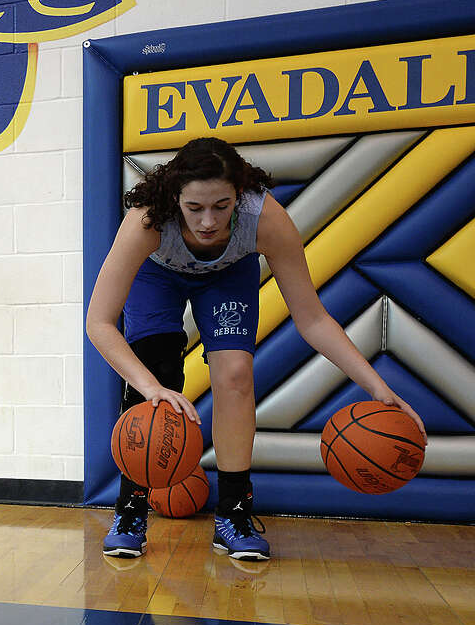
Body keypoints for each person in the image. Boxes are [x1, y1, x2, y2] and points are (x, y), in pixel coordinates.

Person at [86, 137, 424, 562]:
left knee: (235, 375)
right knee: (155, 374)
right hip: (157, 276)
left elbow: (313, 319)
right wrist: (151, 387)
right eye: (194, 208)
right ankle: (130, 511)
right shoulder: (147, 219)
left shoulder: (264, 218)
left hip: (227, 275)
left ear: (239, 194)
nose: (208, 221)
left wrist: (377, 387)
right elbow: (99, 323)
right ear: (174, 198)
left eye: (221, 206)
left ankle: (234, 513)